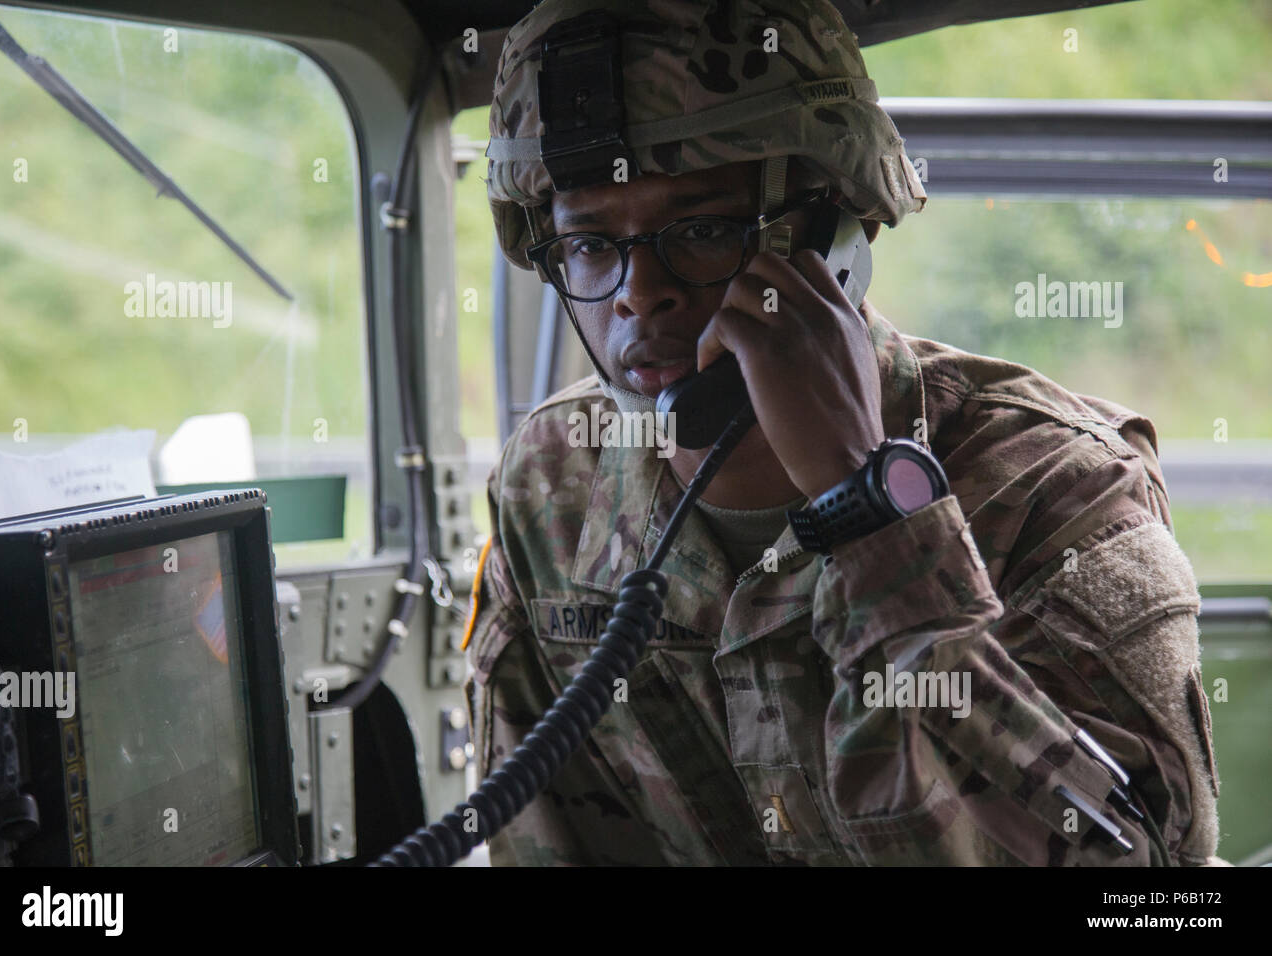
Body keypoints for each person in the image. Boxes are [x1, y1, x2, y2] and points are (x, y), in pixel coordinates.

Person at [462, 0, 1222, 865]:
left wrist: (870, 512)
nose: (639, 294)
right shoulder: (549, 486)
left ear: (833, 235)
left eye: (704, 230)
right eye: (593, 245)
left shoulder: (1059, 489)